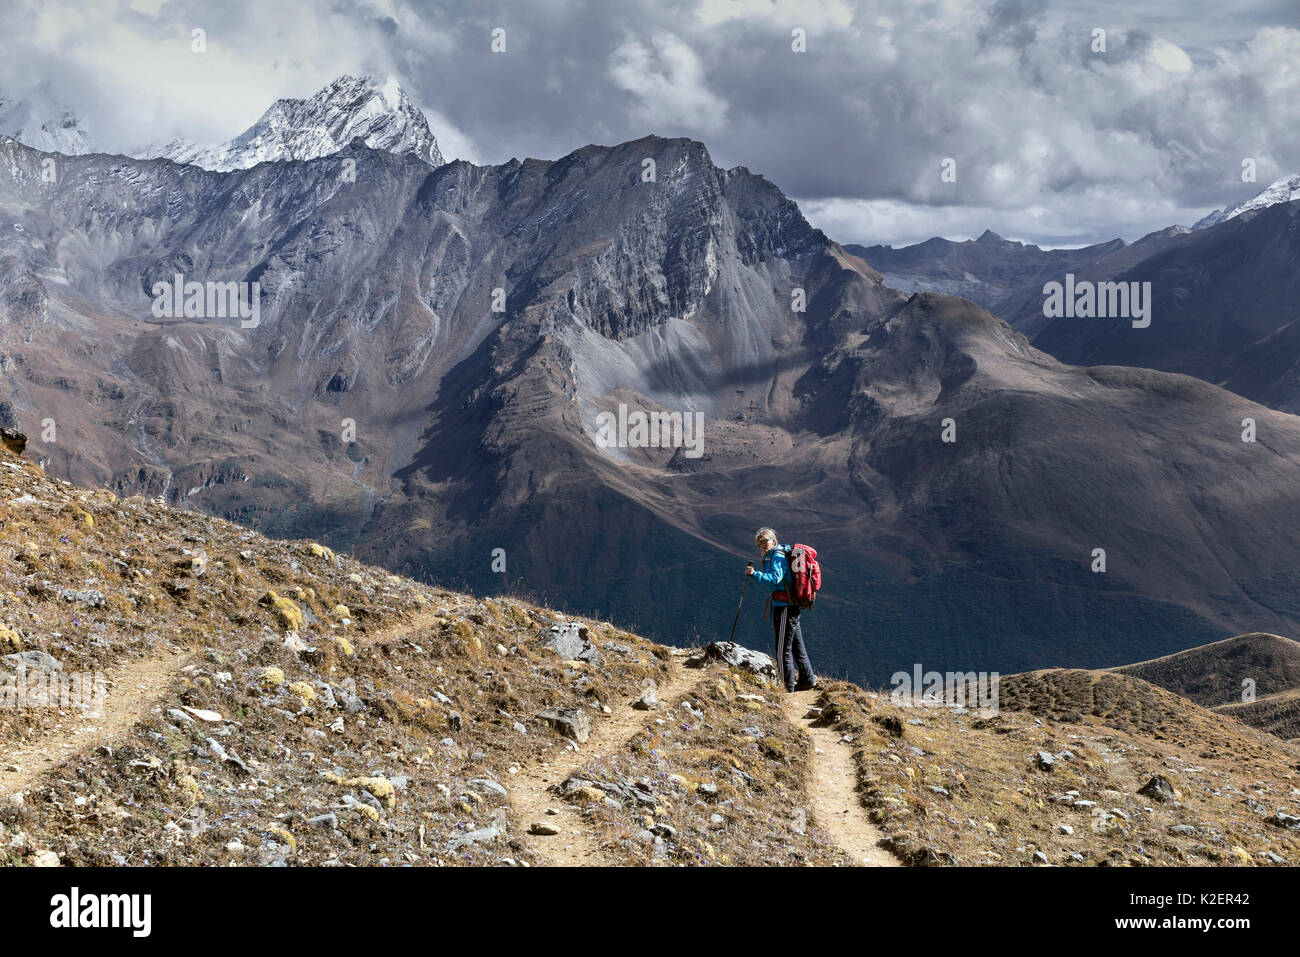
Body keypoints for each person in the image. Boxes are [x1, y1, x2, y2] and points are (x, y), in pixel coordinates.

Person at [747, 527, 817, 693]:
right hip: (790, 606)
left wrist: (755, 574)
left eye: (765, 541)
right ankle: (807, 679)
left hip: (784, 607)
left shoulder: (776, 557)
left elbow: (774, 579)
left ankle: (787, 686)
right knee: (796, 645)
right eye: (759, 543)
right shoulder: (778, 554)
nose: (763, 545)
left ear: (773, 540)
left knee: (782, 648)